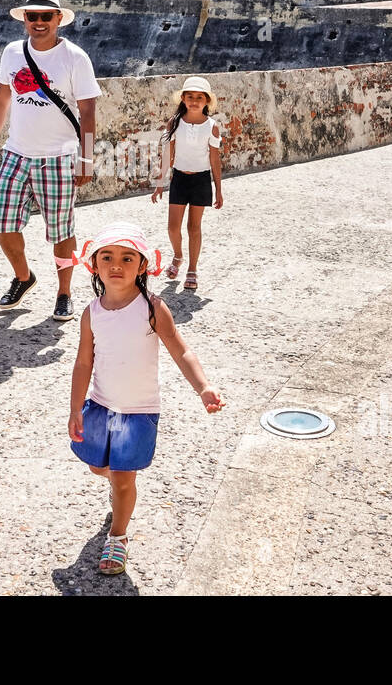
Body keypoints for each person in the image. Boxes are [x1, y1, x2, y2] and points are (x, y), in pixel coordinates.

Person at [67, 223, 224, 576]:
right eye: (106, 257)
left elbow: (180, 351)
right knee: (99, 468)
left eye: (127, 257)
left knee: (124, 479)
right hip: (100, 406)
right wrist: (76, 407)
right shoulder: (91, 312)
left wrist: (204, 387)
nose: (116, 264)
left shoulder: (152, 307)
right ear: (94, 265)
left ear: (142, 266)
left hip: (138, 412)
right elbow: (83, 362)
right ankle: (118, 494)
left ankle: (117, 537)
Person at [0, 0, 101, 322]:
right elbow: (2, 99)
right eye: (32, 16)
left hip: (59, 156)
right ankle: (23, 277)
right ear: (25, 20)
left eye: (45, 16)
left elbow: (88, 111)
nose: (38, 22)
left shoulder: (75, 58)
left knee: (61, 230)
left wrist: (87, 158)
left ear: (58, 19)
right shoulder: (12, 53)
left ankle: (64, 292)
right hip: (17, 153)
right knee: (3, 223)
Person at [151, 76, 223, 291]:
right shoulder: (174, 123)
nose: (194, 100)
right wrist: (160, 183)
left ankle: (192, 269)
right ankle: (178, 256)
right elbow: (168, 153)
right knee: (173, 227)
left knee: (194, 227)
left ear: (207, 101)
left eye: (199, 97)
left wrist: (218, 189)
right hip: (179, 179)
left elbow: (215, 159)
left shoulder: (212, 126)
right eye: (189, 96)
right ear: (182, 99)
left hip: (201, 180)